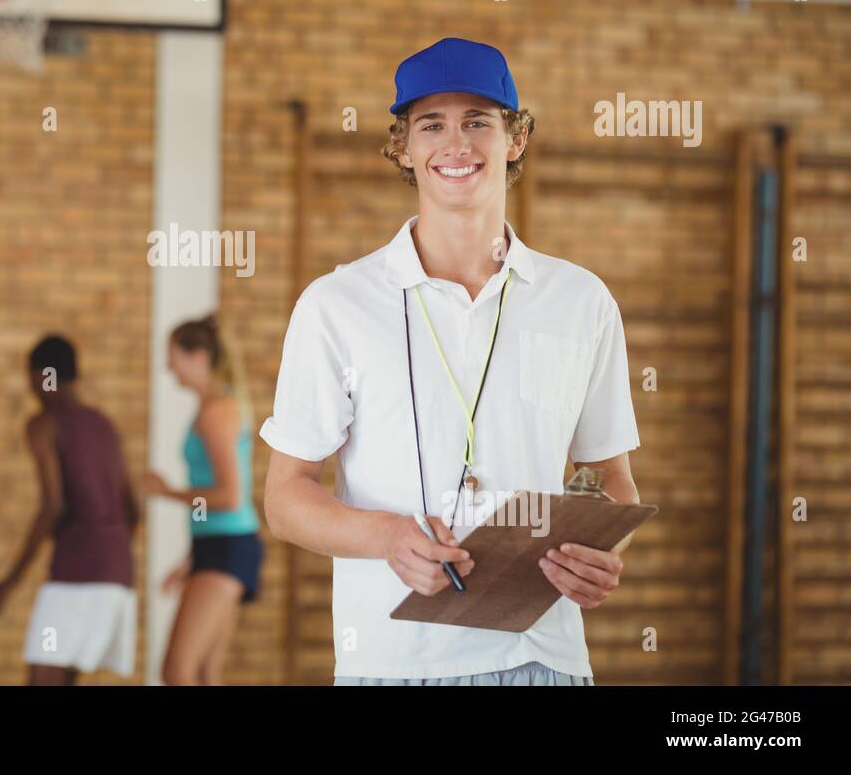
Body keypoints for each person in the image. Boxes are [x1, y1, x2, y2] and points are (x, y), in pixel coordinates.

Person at [262, 37, 644, 685]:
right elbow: (285, 499)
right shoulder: (335, 305)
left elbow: (611, 479)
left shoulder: (582, 300)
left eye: (478, 122)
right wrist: (386, 537)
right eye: (431, 124)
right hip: (389, 665)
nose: (456, 144)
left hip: (541, 660)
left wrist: (605, 548)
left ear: (515, 139)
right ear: (403, 147)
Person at [0, 335, 138, 685]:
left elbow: (53, 506)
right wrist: (110, 551)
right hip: (117, 570)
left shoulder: (44, 424)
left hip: (77, 572)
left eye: (31, 377)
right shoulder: (104, 424)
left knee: (42, 677)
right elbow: (132, 508)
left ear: (44, 376)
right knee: (64, 677)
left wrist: (11, 581)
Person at [146, 314, 263, 686]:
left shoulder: (217, 412)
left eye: (173, 355)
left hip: (229, 548)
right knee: (203, 673)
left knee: (177, 671)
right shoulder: (214, 406)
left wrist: (167, 493)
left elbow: (229, 496)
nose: (168, 366)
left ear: (198, 357)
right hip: (217, 546)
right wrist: (190, 559)